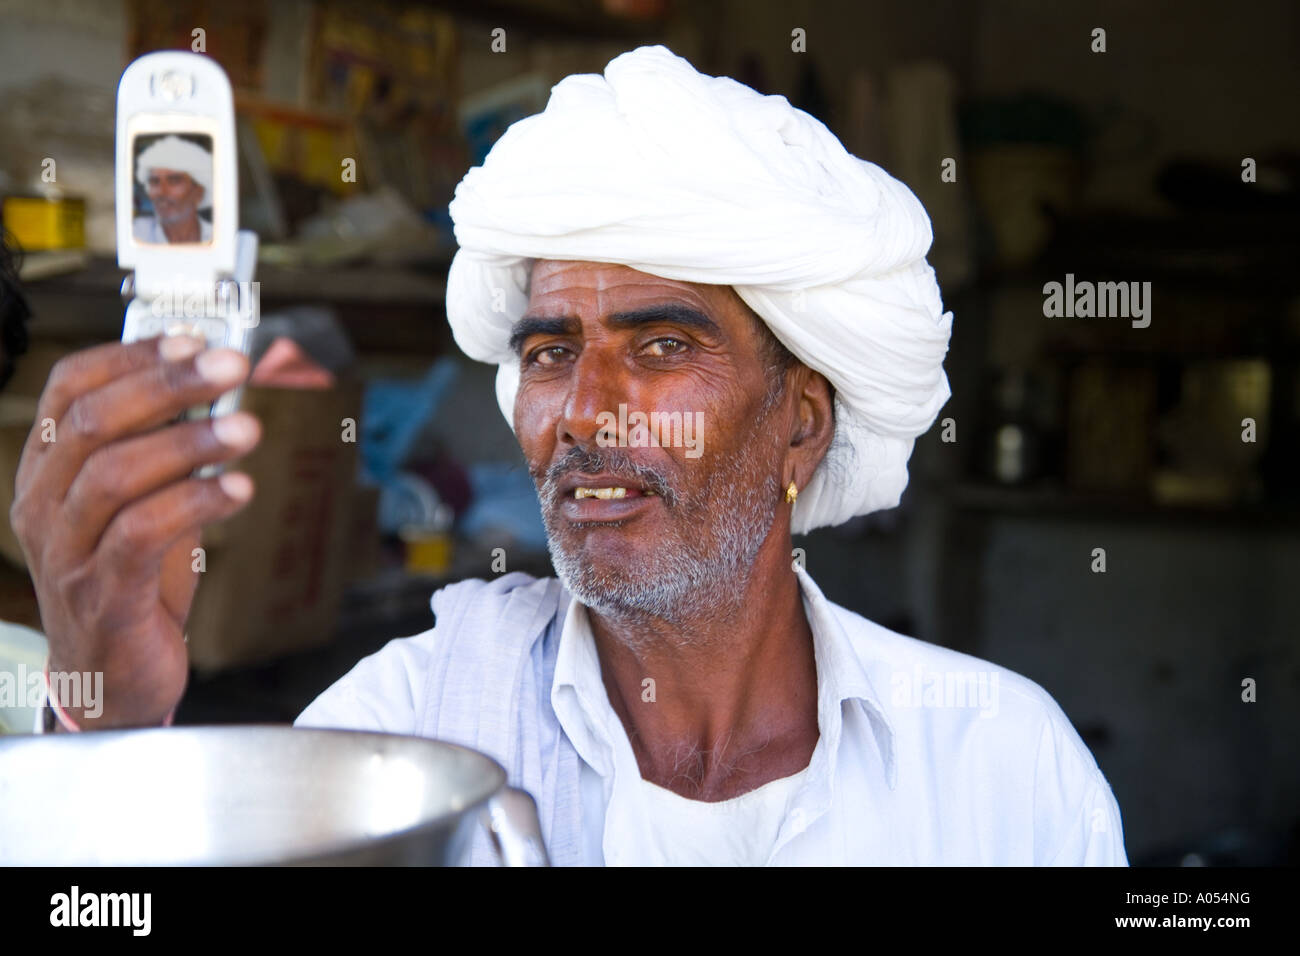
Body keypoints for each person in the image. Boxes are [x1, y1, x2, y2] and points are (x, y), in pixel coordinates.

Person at [11, 46, 1127, 865]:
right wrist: (106, 718)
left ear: (801, 417)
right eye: (550, 349)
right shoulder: (407, 731)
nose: (584, 410)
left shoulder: (997, 768)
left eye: (660, 343)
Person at [132, 135, 213, 244]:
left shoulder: (222, 239)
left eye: (174, 181)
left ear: (199, 192)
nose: (161, 192)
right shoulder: (136, 234)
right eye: (155, 182)